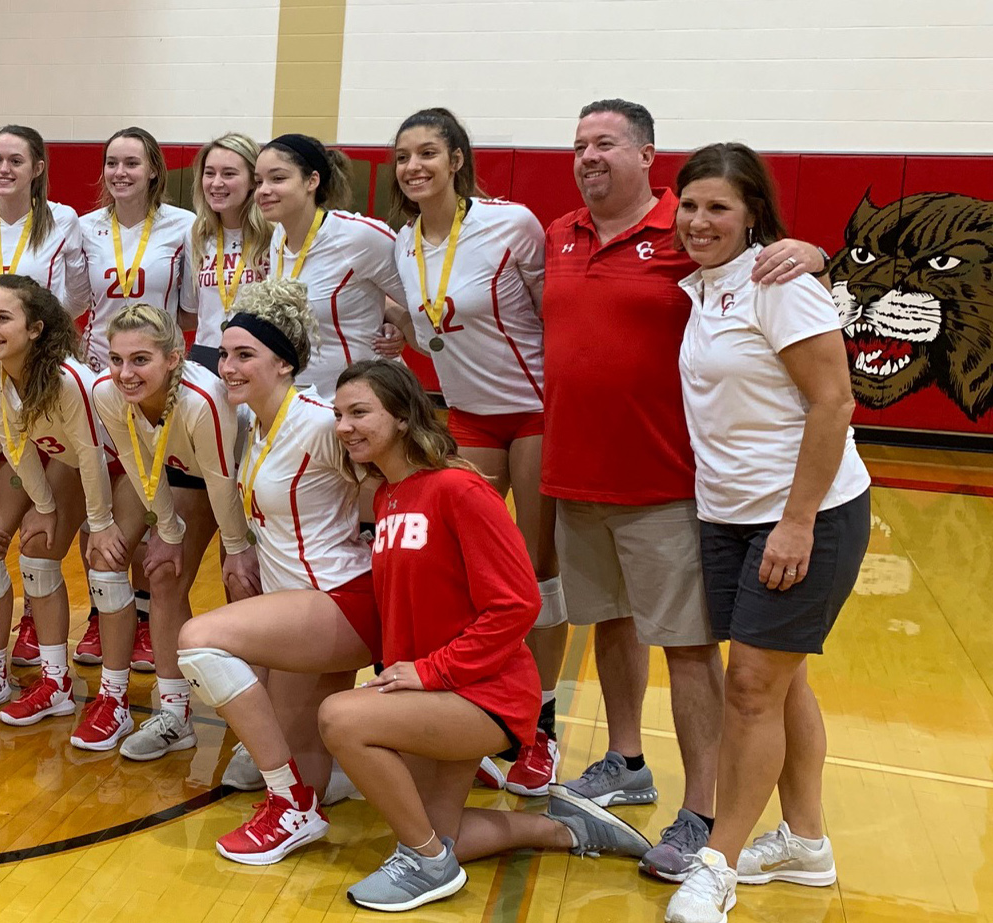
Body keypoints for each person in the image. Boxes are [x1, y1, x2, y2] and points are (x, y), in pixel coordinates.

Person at [540, 99, 829, 881]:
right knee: (610, 625)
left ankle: (701, 807)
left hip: (666, 482)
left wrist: (813, 251)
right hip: (576, 473)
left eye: (606, 143)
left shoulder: (685, 232)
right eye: (579, 144)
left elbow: (760, 264)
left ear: (646, 154)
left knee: (692, 651)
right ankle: (627, 759)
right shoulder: (558, 233)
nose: (589, 155)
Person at [317, 359, 651, 912]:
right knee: (440, 832)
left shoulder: (459, 489)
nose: (345, 426)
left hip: (484, 694)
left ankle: (425, 865)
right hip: (433, 693)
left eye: (359, 412)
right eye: (338, 415)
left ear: (402, 418)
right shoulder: (386, 497)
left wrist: (430, 671)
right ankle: (566, 830)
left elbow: (518, 603)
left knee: (338, 717)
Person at [663, 144, 870, 923]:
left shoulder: (778, 286)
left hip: (803, 515)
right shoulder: (705, 284)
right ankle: (806, 841)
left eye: (718, 206)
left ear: (753, 212)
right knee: (783, 681)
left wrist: (796, 520)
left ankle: (716, 864)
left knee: (750, 686)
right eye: (689, 205)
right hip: (729, 513)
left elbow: (834, 403)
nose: (699, 220)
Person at [388, 107, 565, 796]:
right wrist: (401, 327)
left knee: (538, 573)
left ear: (457, 158)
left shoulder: (511, 223)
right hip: (465, 415)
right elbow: (438, 324)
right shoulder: (404, 242)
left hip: (537, 411)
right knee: (468, 574)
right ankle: (477, 710)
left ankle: (540, 728)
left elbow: (558, 315)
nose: (414, 167)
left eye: (428, 152)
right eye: (404, 156)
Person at [173, 278, 369, 865]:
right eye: (224, 354)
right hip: (299, 607)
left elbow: (391, 476)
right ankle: (302, 803)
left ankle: (288, 804)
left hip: (338, 597)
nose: (227, 367)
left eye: (244, 355)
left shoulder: (317, 422)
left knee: (201, 643)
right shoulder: (255, 423)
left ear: (284, 363)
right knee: (298, 751)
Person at [91, 304, 255, 759]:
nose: (125, 373)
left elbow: (223, 482)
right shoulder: (108, 394)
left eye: (140, 359)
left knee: (244, 586)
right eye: (117, 359)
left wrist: (239, 547)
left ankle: (257, 724)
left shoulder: (202, 401)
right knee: (162, 571)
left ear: (173, 358)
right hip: (183, 468)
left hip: (239, 471)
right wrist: (167, 528)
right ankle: (175, 714)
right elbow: (140, 464)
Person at [0, 274, 116, 724]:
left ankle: (118, 695)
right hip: (65, 460)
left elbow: (92, 456)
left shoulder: (68, 379)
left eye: (3, 318)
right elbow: (16, 445)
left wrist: (101, 522)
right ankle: (56, 681)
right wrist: (45, 507)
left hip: (116, 464)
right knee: (36, 551)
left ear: (35, 329)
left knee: (109, 567)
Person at [253, 133, 409, 394]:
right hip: (302, 396)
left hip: (360, 399)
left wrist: (400, 325)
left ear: (312, 180)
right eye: (258, 181)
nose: (263, 190)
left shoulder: (360, 236)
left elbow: (420, 300)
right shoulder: (279, 235)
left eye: (278, 178)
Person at [76, 127, 196, 370]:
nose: (120, 172)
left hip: (160, 365)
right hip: (99, 362)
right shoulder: (84, 227)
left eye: (131, 163)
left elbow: (191, 313)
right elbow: (74, 300)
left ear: (153, 170)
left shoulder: (184, 225)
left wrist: (149, 336)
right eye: (112, 163)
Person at [0, 125, 92, 317]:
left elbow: (79, 296)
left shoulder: (63, 219)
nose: (4, 169)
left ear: (37, 168)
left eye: (16, 161)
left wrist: (47, 328)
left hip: (41, 343)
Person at [187, 132, 272, 372]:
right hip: (206, 353)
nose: (216, 183)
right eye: (209, 173)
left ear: (254, 180)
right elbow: (193, 310)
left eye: (229, 174)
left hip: (256, 354)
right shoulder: (197, 234)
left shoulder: (275, 235)